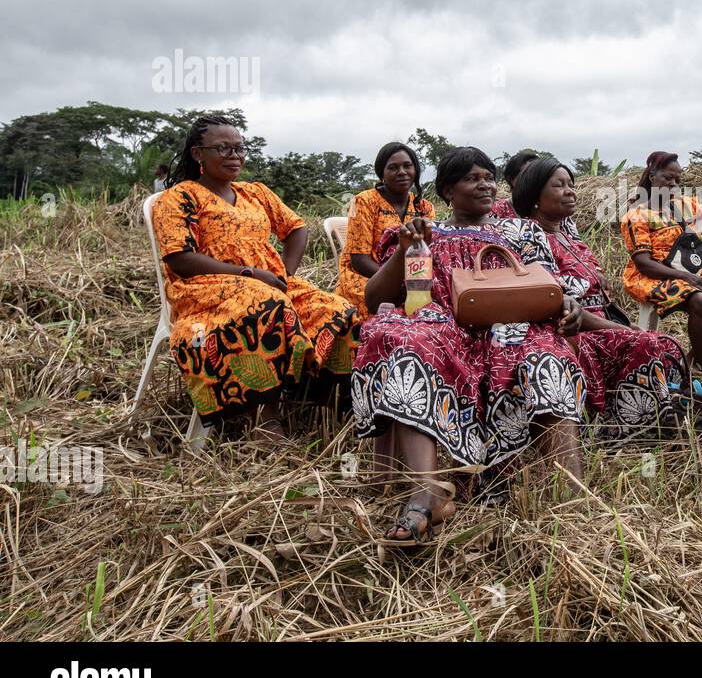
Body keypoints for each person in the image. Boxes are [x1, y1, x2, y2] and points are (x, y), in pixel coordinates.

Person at [351, 147, 586, 542]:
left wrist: (568, 304)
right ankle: (426, 497)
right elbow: (377, 299)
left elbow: (548, 286)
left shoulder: (520, 232)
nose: (485, 185)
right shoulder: (426, 235)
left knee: (546, 355)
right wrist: (407, 251)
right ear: (447, 190)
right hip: (444, 324)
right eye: (471, 178)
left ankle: (572, 495)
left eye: (488, 177)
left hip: (512, 327)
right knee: (412, 343)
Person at [151, 116, 358, 440]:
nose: (235, 155)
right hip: (204, 288)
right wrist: (249, 274)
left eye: (239, 148)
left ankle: (319, 403)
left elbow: (296, 227)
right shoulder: (178, 198)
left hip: (265, 281)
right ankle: (265, 421)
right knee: (267, 304)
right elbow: (180, 258)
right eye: (223, 148)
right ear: (197, 154)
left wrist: (284, 273)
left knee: (334, 307)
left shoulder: (255, 193)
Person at [494, 158, 688, 440]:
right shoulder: (529, 234)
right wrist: (621, 329)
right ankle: (631, 433)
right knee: (645, 341)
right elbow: (557, 305)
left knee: (662, 345)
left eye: (571, 185)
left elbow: (598, 293)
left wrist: (619, 324)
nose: (571, 191)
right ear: (535, 196)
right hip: (568, 331)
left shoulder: (568, 234)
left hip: (597, 323)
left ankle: (646, 428)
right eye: (559, 186)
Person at [619, 151, 702, 391]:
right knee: (699, 299)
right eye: (667, 178)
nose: (673, 184)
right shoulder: (637, 215)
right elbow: (643, 263)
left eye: (677, 180)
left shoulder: (680, 204)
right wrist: (685, 276)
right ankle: (701, 374)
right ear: (652, 176)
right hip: (650, 276)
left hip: (683, 272)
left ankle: (689, 362)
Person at [335, 142, 435, 319]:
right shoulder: (363, 202)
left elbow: (428, 250)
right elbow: (359, 260)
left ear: (416, 170)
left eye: (407, 166)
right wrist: (394, 282)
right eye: (393, 167)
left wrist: (409, 282)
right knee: (383, 309)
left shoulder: (424, 207)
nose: (402, 172)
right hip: (365, 277)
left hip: (413, 274)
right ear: (382, 174)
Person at [491, 149, 579, 238]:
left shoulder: (560, 217)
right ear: (512, 180)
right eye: (527, 173)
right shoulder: (498, 212)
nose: (533, 177)